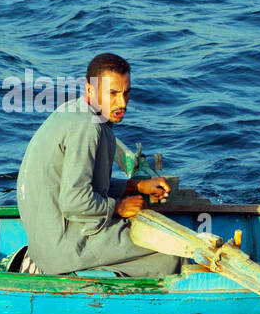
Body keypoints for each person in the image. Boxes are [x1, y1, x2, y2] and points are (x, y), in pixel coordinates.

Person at [16, 53, 181, 276]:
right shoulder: (87, 128)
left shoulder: (76, 112)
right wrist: (118, 207)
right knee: (171, 254)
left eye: (126, 93)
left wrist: (137, 187)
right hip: (64, 247)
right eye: (112, 93)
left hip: (45, 242)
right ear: (91, 90)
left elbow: (86, 184)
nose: (122, 103)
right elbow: (74, 201)